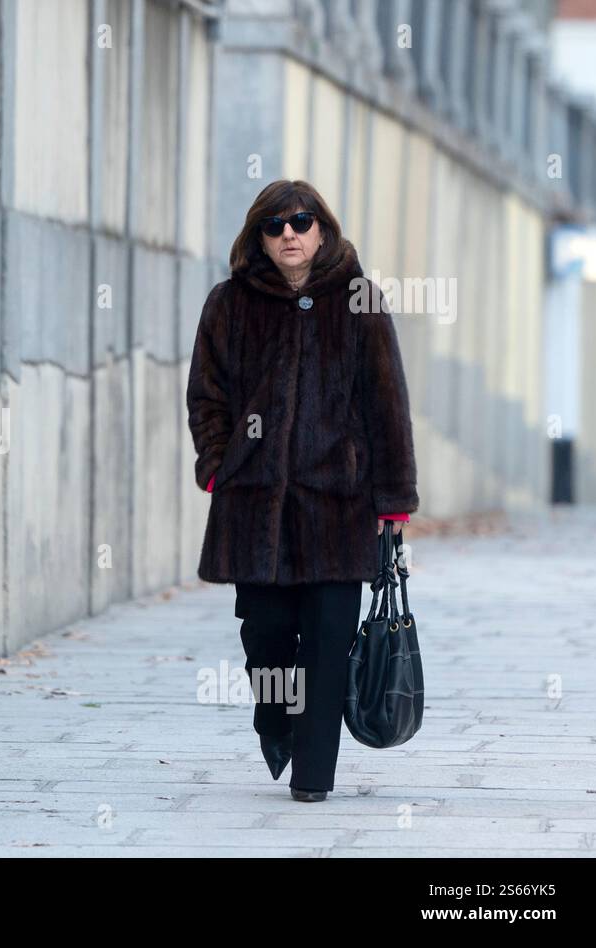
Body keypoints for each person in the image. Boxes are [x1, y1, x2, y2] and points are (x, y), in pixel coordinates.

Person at [185, 180, 419, 802]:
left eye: (301, 220)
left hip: (339, 506)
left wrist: (392, 500)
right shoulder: (228, 304)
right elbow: (206, 398)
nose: (289, 232)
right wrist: (219, 466)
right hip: (253, 505)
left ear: (321, 228)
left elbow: (387, 404)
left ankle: (314, 779)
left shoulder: (360, 302)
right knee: (265, 637)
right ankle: (275, 719)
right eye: (274, 224)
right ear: (258, 236)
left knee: (326, 640)